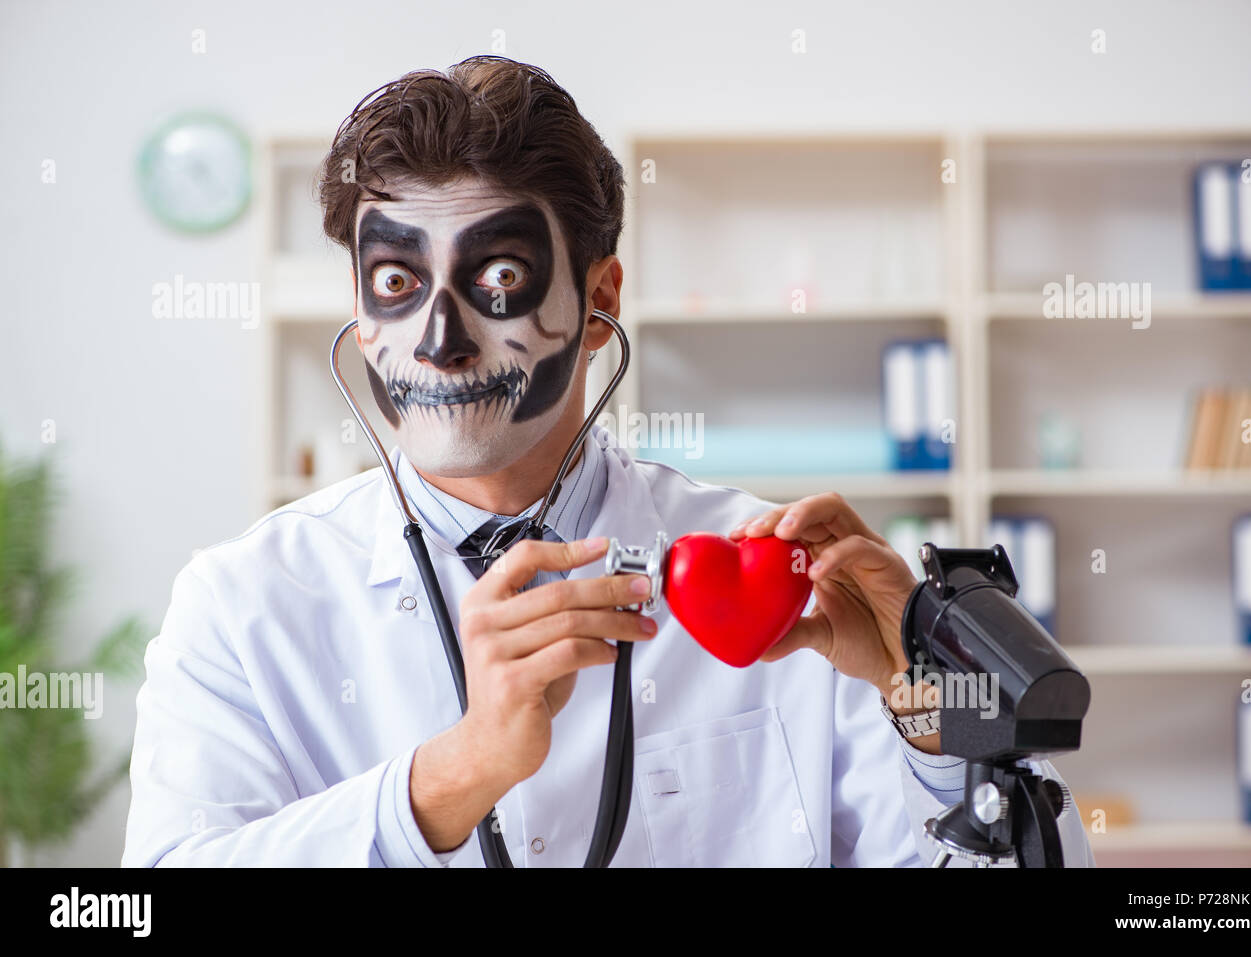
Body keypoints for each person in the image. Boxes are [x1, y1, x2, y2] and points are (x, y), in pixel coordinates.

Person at [122, 56, 1092, 867]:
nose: (439, 341)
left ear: (600, 301)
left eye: (499, 279)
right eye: (396, 281)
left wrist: (929, 703)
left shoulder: (783, 582)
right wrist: (456, 772)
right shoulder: (242, 606)